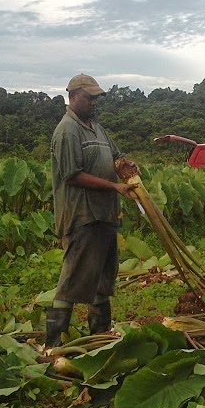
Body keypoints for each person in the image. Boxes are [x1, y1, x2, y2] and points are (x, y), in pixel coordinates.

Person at [47, 74, 139, 348]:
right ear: (73, 96)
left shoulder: (96, 128)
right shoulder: (67, 130)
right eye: (89, 97)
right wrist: (114, 186)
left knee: (102, 278)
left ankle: (100, 336)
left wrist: (126, 167)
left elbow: (116, 157)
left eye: (97, 98)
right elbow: (72, 175)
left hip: (105, 214)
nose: (94, 102)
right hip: (82, 216)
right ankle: (53, 344)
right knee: (73, 279)